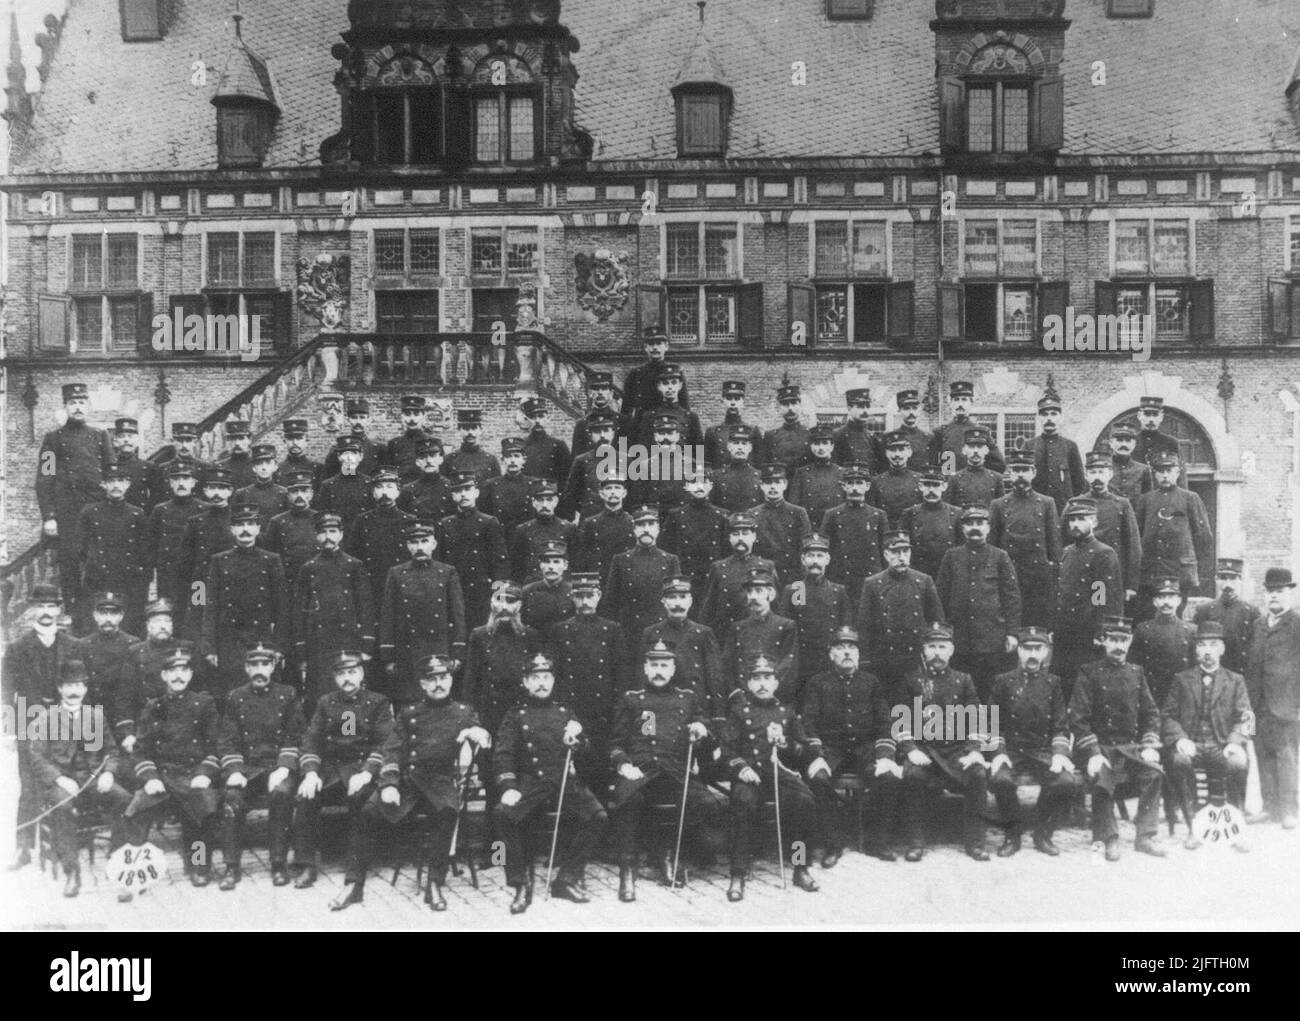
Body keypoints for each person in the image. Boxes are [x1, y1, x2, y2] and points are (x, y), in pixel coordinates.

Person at [374, 654, 490, 911]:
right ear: (422, 684)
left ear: (450, 680)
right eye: (432, 679)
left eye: (443, 677)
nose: (438, 684)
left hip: (441, 780)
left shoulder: (464, 712)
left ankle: (434, 882)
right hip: (411, 779)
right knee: (369, 809)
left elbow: (482, 734)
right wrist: (390, 783)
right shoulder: (409, 713)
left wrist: (477, 733)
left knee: (448, 811)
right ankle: (355, 880)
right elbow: (391, 750)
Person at [493, 653, 608, 912]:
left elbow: (589, 753)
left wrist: (578, 740)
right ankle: (519, 882)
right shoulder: (515, 714)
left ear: (553, 680)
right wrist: (508, 787)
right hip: (530, 782)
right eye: (535, 678)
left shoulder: (565, 711)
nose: (541, 683)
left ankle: (565, 880)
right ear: (525, 681)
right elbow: (503, 753)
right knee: (501, 814)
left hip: (564, 780)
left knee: (597, 816)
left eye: (546, 677)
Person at [607, 642, 723, 900]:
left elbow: (707, 733)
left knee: (706, 803)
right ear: (646, 668)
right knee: (629, 799)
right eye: (654, 665)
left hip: (675, 769)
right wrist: (624, 764)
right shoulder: (632, 698)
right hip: (641, 770)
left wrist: (703, 732)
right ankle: (628, 868)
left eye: (664, 666)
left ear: (672, 670)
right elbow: (615, 743)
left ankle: (668, 853)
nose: (659, 671)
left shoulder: (688, 697)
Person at [293, 649, 394, 907]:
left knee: (361, 799)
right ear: (335, 677)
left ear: (361, 673)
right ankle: (306, 864)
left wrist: (368, 772)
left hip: (360, 771)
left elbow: (385, 743)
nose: (347, 678)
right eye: (341, 674)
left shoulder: (378, 702)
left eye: (352, 672)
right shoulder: (326, 702)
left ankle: (354, 877)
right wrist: (311, 772)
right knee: (306, 794)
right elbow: (311, 740)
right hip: (331, 771)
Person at [26, 660, 132, 898]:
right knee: (63, 806)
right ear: (60, 689)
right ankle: (72, 872)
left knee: (125, 799)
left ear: (85, 688)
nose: (74, 691)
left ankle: (118, 866)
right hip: (62, 782)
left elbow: (111, 752)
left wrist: (108, 772)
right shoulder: (46, 719)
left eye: (79, 685)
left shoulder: (96, 716)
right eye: (68, 685)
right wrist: (60, 780)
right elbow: (36, 757)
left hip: (93, 779)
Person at [122, 644, 223, 887]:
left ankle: (199, 865)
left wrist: (205, 773)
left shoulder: (204, 704)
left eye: (184, 670)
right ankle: (132, 871)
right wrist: (150, 777)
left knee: (204, 808)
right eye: (172, 671)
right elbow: (141, 749)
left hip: (192, 774)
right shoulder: (153, 706)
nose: (178, 676)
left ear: (190, 674)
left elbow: (216, 746)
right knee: (136, 811)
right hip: (163, 776)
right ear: (164, 675)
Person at [721, 655, 820, 901]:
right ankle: (738, 873)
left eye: (768, 678)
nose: (762, 683)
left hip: (779, 773)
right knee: (742, 804)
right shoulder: (738, 712)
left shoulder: (786, 712)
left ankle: (800, 866)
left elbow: (804, 749)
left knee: (804, 802)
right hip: (749, 775)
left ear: (776, 683)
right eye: (757, 679)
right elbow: (726, 749)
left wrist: (786, 745)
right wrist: (741, 767)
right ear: (749, 684)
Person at [801, 627, 903, 864]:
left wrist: (885, 755)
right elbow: (808, 721)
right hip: (830, 748)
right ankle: (833, 843)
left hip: (864, 749)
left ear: (858, 654)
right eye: (840, 647)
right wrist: (816, 754)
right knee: (817, 780)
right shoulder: (818, 683)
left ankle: (875, 841)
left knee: (888, 777)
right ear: (831, 654)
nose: (847, 652)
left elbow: (884, 721)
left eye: (852, 648)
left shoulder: (871, 682)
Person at [1070, 616, 1167, 861]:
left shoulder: (1137, 673)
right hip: (1098, 747)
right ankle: (1108, 837)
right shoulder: (1088, 673)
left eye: (1124, 640)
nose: (1119, 646)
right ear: (1103, 641)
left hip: (1130, 749)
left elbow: (1151, 713)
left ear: (1130, 642)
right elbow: (1078, 719)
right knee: (1103, 778)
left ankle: (1145, 836)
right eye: (1113, 639)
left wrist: (1148, 745)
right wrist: (1092, 753)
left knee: (1154, 773)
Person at [3, 583, 85, 871]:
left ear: (59, 610)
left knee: (65, 778)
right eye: (41, 606)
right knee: (29, 787)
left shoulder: (74, 645)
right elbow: (6, 689)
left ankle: (67, 843)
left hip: (66, 725)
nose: (47, 612)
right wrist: (11, 730)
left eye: (52, 606)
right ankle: (23, 847)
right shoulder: (17, 648)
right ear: (32, 610)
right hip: (30, 725)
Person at [895, 624, 992, 862]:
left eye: (942, 646)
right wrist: (911, 749)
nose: (937, 652)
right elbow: (899, 721)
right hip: (925, 751)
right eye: (931, 647)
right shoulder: (911, 680)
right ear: (923, 651)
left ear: (951, 650)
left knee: (978, 775)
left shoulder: (964, 680)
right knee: (913, 776)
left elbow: (978, 719)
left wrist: (974, 751)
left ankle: (976, 842)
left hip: (957, 751)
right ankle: (915, 842)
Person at [216, 643, 305, 890]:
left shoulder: (288, 694)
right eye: (253, 665)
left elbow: (296, 736)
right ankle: (232, 866)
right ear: (246, 668)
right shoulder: (235, 697)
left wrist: (284, 767)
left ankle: (278, 863)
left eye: (264, 664)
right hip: (248, 768)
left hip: (278, 766)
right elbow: (227, 739)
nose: (259, 670)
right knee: (232, 797)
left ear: (273, 667)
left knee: (282, 793)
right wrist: (234, 770)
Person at [986, 628, 1081, 857]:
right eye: (1027, 648)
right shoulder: (1003, 681)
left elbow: (1060, 725)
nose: (1032, 654)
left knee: (1065, 781)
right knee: (1001, 780)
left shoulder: (1054, 683)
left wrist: (1059, 753)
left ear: (1046, 652)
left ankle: (1043, 833)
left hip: (1041, 751)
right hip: (1011, 751)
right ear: (1018, 651)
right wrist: (998, 752)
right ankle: (1013, 835)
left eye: (1038, 649)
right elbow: (990, 722)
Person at [1162, 621, 1253, 850]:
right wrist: (1181, 738)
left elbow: (1247, 719)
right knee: (1179, 761)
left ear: (1222, 649)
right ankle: (1194, 825)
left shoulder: (1235, 680)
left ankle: (1237, 826)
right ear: (1196, 650)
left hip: (1221, 744)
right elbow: (1167, 716)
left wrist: (1234, 742)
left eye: (1213, 645)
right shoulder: (1181, 679)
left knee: (1238, 762)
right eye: (1202, 645)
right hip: (1192, 744)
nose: (1208, 651)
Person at [36, 382, 114, 620]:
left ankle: (98, 617)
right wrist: (49, 516)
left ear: (88, 405)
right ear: (65, 406)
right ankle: (71, 616)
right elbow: (44, 479)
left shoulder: (100, 436)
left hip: (95, 512)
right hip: (67, 515)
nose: (78, 407)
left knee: (97, 565)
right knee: (69, 568)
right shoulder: (53, 439)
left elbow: (111, 474)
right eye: (73, 403)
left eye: (81, 402)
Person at [202, 505, 289, 706]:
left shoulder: (272, 560)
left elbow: (282, 608)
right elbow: (210, 606)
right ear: (232, 530)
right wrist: (209, 647)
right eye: (240, 525)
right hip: (230, 640)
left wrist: (279, 645)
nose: (245, 530)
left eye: (250, 524)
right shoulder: (219, 561)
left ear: (258, 529)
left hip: (262, 638)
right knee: (231, 694)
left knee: (265, 693)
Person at [549, 573, 630, 786]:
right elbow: (555, 674)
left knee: (601, 768)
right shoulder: (560, 630)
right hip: (573, 708)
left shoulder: (612, 629)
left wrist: (618, 707)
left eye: (590, 595)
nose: (585, 601)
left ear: (599, 596)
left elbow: (620, 672)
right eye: (579, 596)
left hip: (603, 710)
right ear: (572, 597)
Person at [936, 505, 1021, 700]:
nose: (975, 527)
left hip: (991, 639)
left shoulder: (1000, 556)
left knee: (989, 690)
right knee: (961, 690)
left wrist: (1012, 633)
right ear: (963, 528)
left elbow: (1012, 597)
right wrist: (944, 633)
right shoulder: (951, 556)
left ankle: (987, 729)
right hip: (960, 639)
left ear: (989, 528)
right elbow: (941, 596)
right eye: (969, 523)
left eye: (980, 523)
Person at [378, 521, 467, 707]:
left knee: (440, 697)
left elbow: (457, 614)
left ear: (433, 544)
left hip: (439, 647)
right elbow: (388, 616)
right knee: (409, 702)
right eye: (414, 542)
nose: (419, 547)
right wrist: (388, 655)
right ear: (408, 546)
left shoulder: (447, 572)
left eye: (424, 541)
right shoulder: (396, 573)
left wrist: (457, 651)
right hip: (407, 651)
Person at [294, 512, 375, 704]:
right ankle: (324, 733)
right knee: (320, 694)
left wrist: (366, 645)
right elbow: (299, 611)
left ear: (341, 534)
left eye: (333, 531)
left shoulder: (354, 566)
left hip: (349, 641)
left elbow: (366, 607)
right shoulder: (309, 568)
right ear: (316, 536)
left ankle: (350, 731)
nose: (328, 536)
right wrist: (301, 648)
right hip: (319, 644)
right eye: (323, 532)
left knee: (349, 692)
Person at [1245, 568, 1300, 829]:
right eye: (1269, 592)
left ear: (1289, 593)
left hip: (1286, 704)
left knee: (1286, 756)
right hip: (1258, 704)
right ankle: (1269, 807)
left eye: (1279, 591)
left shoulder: (1297, 625)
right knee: (1262, 754)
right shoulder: (1257, 625)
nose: (1273, 597)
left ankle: (1289, 810)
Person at [855, 531, 945, 691]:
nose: (902, 557)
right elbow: (864, 626)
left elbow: (936, 622)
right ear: (886, 554)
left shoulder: (924, 581)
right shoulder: (872, 584)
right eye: (896, 552)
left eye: (905, 551)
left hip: (916, 659)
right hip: (885, 660)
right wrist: (865, 661)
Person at [1053, 497, 1123, 694]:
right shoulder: (1067, 552)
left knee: (1086, 685)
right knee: (1063, 682)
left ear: (1094, 522)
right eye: (1072, 520)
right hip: (1065, 630)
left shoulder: (1102, 553)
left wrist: (1101, 630)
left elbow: (1101, 596)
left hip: (1086, 630)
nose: (1075, 524)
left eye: (1082, 519)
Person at [1133, 453, 1213, 618]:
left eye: (1169, 470)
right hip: (1152, 571)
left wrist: (1192, 563)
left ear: (1177, 473)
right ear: (1154, 474)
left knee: (1177, 614)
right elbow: (1137, 535)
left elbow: (1203, 537)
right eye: (1160, 471)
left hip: (1180, 571)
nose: (1165, 475)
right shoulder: (1145, 500)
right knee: (1150, 615)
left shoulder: (1190, 498)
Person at [76, 459, 151, 633]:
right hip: (98, 580)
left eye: (121, 481)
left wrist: (141, 581)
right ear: (103, 484)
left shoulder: (137, 513)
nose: (116, 485)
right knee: (96, 625)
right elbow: (80, 547)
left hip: (128, 581)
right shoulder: (89, 512)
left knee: (130, 625)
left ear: (128, 484)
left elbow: (145, 551)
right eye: (111, 481)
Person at [989, 450, 1060, 629]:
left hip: (1038, 575)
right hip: (1009, 572)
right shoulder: (998, 505)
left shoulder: (1047, 503)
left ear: (1033, 473)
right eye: (1016, 470)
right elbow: (993, 544)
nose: (1020, 474)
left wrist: (1054, 570)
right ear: (1010, 473)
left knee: (1037, 621)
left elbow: (1054, 542)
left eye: (1025, 470)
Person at [463, 584, 543, 742]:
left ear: (519, 605)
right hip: (489, 712)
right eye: (499, 600)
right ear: (492, 603)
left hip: (522, 710)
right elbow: (471, 680)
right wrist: (472, 718)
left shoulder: (531, 636)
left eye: (510, 601)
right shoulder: (479, 636)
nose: (504, 607)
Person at [776, 533, 852, 699]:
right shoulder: (796, 589)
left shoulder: (838, 591)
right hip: (802, 664)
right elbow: (787, 630)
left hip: (830, 662)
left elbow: (845, 630)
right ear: (803, 559)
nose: (815, 561)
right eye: (811, 556)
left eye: (820, 556)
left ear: (828, 559)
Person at [640, 577, 727, 718]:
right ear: (663, 601)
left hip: (697, 711)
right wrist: (645, 717)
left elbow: (715, 678)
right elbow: (642, 678)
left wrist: (718, 716)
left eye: (682, 597)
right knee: (650, 737)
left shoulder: (704, 633)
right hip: (658, 709)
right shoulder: (650, 633)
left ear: (690, 601)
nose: (677, 603)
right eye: (672, 597)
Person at [439, 471, 509, 630]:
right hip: (455, 590)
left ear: (476, 493)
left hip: (482, 592)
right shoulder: (445, 524)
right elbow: (441, 559)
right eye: (458, 491)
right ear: (453, 496)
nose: (463, 495)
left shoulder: (489, 522)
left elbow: (500, 562)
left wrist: (499, 596)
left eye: (467, 490)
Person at [602, 506, 680, 642]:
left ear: (658, 529)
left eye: (651, 524)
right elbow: (611, 602)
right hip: (629, 631)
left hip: (661, 630)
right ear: (634, 529)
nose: (646, 529)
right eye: (640, 525)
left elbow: (676, 600)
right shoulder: (620, 560)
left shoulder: (670, 560)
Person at [722, 567, 800, 702]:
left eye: (759, 591)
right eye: (749, 591)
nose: (753, 596)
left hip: (776, 697)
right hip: (743, 699)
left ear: (770, 594)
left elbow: (789, 663)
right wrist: (736, 693)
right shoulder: (737, 628)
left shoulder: (786, 626)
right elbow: (728, 664)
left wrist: (770, 690)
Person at [1074, 453, 1142, 604]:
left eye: (1101, 472)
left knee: (1110, 620)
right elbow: (1066, 542)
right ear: (1086, 475)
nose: (1097, 477)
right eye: (1092, 472)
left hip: (1113, 572)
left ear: (1110, 474)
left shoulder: (1122, 504)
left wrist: (1131, 585)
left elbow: (1133, 546)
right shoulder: (1075, 504)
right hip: (1083, 571)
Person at [659, 467, 729, 613]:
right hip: (684, 578)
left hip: (711, 577)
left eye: (704, 482)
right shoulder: (676, 516)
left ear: (710, 486)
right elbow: (666, 549)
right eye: (694, 482)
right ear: (686, 486)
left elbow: (726, 550)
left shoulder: (722, 516)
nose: (699, 487)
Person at [699, 512, 779, 639]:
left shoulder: (767, 566)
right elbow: (708, 609)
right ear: (729, 538)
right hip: (726, 635)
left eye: (745, 533)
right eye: (736, 534)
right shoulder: (718, 568)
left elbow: (776, 607)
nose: (740, 538)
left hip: (759, 634)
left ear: (754, 536)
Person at [150, 461, 208, 633]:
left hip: (198, 579)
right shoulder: (160, 510)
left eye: (186, 478)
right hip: (168, 577)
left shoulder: (204, 509)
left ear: (194, 482)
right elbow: (151, 544)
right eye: (176, 479)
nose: (181, 483)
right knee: (169, 615)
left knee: (199, 611)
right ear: (170, 482)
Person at [344, 468, 415, 605]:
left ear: (398, 492)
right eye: (379, 487)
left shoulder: (409, 520)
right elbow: (352, 555)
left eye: (389, 487)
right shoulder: (362, 521)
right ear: (373, 493)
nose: (384, 492)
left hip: (402, 585)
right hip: (370, 585)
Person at [1130, 577, 1196, 707]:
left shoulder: (1191, 631)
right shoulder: (1143, 630)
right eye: (1161, 597)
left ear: (1179, 600)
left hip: (1181, 697)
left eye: (1171, 597)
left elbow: (1195, 671)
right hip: (1151, 696)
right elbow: (1134, 668)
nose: (1166, 602)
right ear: (1154, 601)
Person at [1192, 558, 1260, 674]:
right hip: (1213, 673)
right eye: (1223, 578)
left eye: (1233, 578)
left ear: (1240, 580)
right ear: (1216, 580)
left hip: (1241, 674)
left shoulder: (1252, 612)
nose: (1228, 584)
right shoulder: (1204, 610)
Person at [749, 464, 812, 583]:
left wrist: (802, 581)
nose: (773, 487)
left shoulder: (798, 513)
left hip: (794, 577)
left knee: (798, 602)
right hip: (763, 577)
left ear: (785, 484)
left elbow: (805, 550)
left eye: (777, 482)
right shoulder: (752, 514)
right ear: (761, 485)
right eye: (768, 483)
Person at [898, 466, 962, 580]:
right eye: (927, 485)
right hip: (918, 574)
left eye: (936, 485)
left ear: (944, 486)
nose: (931, 490)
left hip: (947, 574)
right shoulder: (909, 514)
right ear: (920, 487)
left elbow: (961, 549)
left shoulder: (956, 514)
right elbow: (902, 548)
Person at [263, 469, 319, 597]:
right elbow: (270, 556)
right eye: (294, 491)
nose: (299, 495)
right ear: (288, 495)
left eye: (304, 491)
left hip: (315, 582)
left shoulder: (321, 519)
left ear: (311, 494)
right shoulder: (277, 522)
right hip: (287, 584)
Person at [929, 381, 1005, 474]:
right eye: (956, 400)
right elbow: (931, 464)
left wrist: (981, 477)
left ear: (971, 403)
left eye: (964, 399)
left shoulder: (981, 431)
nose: (960, 404)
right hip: (949, 485)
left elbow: (999, 465)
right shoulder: (940, 432)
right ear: (950, 403)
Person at [510, 480, 577, 582]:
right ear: (533, 503)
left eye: (549, 500)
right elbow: (517, 567)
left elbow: (575, 563)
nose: (544, 504)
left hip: (562, 586)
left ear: (556, 502)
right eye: (540, 500)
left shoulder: (568, 528)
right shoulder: (522, 530)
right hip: (532, 587)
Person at [560, 408, 619, 522]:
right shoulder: (581, 461)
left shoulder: (626, 460)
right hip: (589, 519)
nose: (602, 436)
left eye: (606, 430)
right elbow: (570, 495)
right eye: (597, 431)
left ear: (613, 433)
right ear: (590, 435)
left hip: (617, 520)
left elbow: (632, 495)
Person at [572, 473, 635, 578]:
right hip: (599, 577)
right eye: (608, 488)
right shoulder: (590, 524)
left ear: (624, 493)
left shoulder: (632, 522)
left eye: (617, 488)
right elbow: (582, 556)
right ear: (601, 493)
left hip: (625, 577)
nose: (613, 492)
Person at [1031, 394, 1085, 513]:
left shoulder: (1070, 446)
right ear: (1039, 418)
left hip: (1062, 509)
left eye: (1053, 414)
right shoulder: (1029, 446)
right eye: (1045, 414)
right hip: (1036, 509)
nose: (1049, 418)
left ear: (1061, 418)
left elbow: (1079, 482)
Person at [621, 330, 688, 425]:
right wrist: (622, 440)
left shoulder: (676, 373)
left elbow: (684, 406)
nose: (655, 347)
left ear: (666, 346)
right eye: (651, 344)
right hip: (641, 429)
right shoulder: (635, 374)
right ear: (645, 348)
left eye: (659, 344)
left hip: (668, 427)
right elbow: (625, 413)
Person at [478, 438, 538, 537]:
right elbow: (485, 515)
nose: (512, 460)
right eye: (508, 456)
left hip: (526, 538)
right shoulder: (490, 485)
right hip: (500, 537)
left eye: (516, 456)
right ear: (502, 459)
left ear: (524, 460)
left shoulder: (534, 484)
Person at [790, 425, 844, 527]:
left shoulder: (842, 473)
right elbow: (794, 508)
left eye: (825, 443)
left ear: (832, 446)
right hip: (809, 529)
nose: (820, 448)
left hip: (836, 528)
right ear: (811, 446)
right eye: (816, 443)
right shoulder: (801, 473)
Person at [315, 436, 373, 531]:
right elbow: (322, 517)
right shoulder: (328, 486)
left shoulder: (370, 484)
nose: (349, 458)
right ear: (338, 457)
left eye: (354, 453)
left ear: (361, 457)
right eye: (345, 453)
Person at [866, 432, 921, 527]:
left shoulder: (920, 480)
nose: (897, 455)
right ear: (886, 453)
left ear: (909, 452)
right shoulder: (876, 482)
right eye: (892, 450)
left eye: (901, 450)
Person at [111, 416, 162, 516]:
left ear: (137, 440)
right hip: (114, 515)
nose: (126, 440)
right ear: (115, 441)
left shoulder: (148, 466)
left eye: (130, 436)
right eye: (122, 436)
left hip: (139, 516)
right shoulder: (109, 465)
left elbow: (156, 496)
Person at [703, 381, 760, 468]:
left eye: (737, 399)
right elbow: (704, 463)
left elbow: (759, 463)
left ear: (743, 401)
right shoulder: (712, 432)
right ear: (723, 401)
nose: (733, 403)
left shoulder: (753, 431)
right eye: (729, 398)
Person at [945, 427, 1004, 510]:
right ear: (964, 450)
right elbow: (949, 510)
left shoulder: (996, 478)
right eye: (971, 447)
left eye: (980, 447)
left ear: (986, 450)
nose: (976, 451)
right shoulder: (954, 479)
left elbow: (1000, 510)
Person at [397, 437, 455, 522]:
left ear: (441, 459)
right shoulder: (407, 491)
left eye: (433, 455)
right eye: (423, 457)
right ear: (417, 462)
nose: (428, 461)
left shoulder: (452, 488)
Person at [709, 426, 765, 514]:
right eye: (736, 443)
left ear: (750, 448)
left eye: (744, 443)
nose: (740, 447)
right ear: (729, 446)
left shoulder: (759, 476)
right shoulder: (716, 476)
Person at [519, 397, 573, 487]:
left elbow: (566, 477)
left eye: (541, 416)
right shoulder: (521, 445)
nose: (537, 421)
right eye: (533, 417)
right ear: (526, 419)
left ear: (547, 418)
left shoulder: (559, 445)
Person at [233, 444, 289, 530]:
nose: (264, 467)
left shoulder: (284, 493)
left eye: (268, 463)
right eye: (259, 464)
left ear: (275, 467)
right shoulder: (242, 494)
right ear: (254, 468)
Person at [323, 398, 382, 478]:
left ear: (368, 420)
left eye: (362, 417)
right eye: (354, 417)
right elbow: (330, 476)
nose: (358, 422)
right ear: (348, 420)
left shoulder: (378, 449)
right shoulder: (337, 449)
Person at [443, 408, 501, 486]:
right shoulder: (449, 460)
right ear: (459, 430)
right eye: (466, 428)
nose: (470, 432)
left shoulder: (491, 460)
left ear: (480, 430)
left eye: (474, 428)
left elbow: (496, 487)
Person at [570, 371, 620, 459]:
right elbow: (576, 459)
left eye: (604, 388)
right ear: (589, 393)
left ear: (611, 394)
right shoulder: (581, 425)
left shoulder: (623, 422)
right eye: (596, 389)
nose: (600, 392)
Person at [763, 383, 811, 473]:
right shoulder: (770, 436)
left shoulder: (810, 434)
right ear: (779, 408)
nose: (790, 408)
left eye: (793, 403)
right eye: (785, 404)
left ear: (800, 405)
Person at [831, 388, 881, 473]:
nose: (865, 411)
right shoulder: (837, 435)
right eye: (860, 407)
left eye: (867, 406)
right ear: (849, 408)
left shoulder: (872, 437)